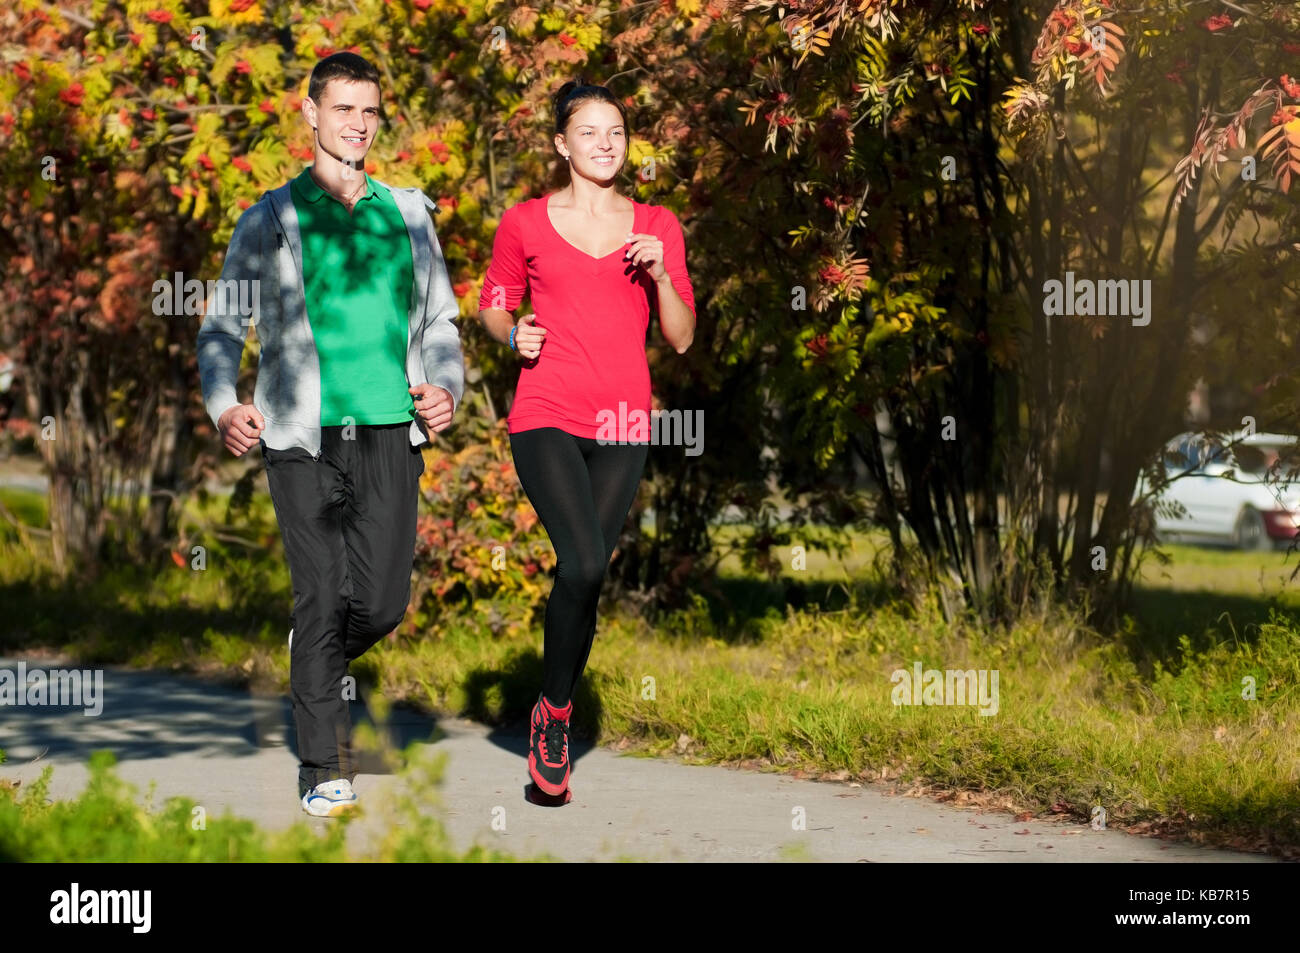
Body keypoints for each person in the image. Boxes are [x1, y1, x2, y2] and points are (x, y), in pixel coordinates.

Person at [196, 52, 465, 816]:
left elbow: (441, 320)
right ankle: (322, 766)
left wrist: (446, 386)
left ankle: (308, 659)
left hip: (389, 427)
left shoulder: (408, 213)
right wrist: (224, 403)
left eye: (368, 111)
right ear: (309, 113)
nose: (356, 123)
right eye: (342, 108)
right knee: (320, 596)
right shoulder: (270, 216)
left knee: (381, 603)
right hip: (299, 434)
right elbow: (222, 325)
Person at [476, 77, 696, 799]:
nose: (605, 144)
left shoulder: (657, 225)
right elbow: (492, 302)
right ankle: (554, 719)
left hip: (625, 420)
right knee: (579, 559)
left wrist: (662, 274)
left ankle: (553, 706)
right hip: (545, 411)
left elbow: (682, 337)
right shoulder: (526, 222)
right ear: (561, 144)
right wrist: (515, 333)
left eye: (616, 133)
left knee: (588, 574)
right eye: (589, 132)